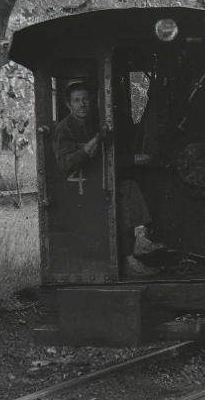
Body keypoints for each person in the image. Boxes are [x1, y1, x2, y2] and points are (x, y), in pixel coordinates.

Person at [53, 82, 164, 273]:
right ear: (68, 104)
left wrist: (130, 159)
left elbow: (104, 158)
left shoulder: (90, 123)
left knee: (129, 186)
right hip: (79, 187)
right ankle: (131, 256)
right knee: (121, 193)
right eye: (77, 100)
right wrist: (96, 140)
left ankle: (139, 240)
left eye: (85, 99)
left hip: (96, 180)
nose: (82, 104)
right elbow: (65, 163)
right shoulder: (65, 128)